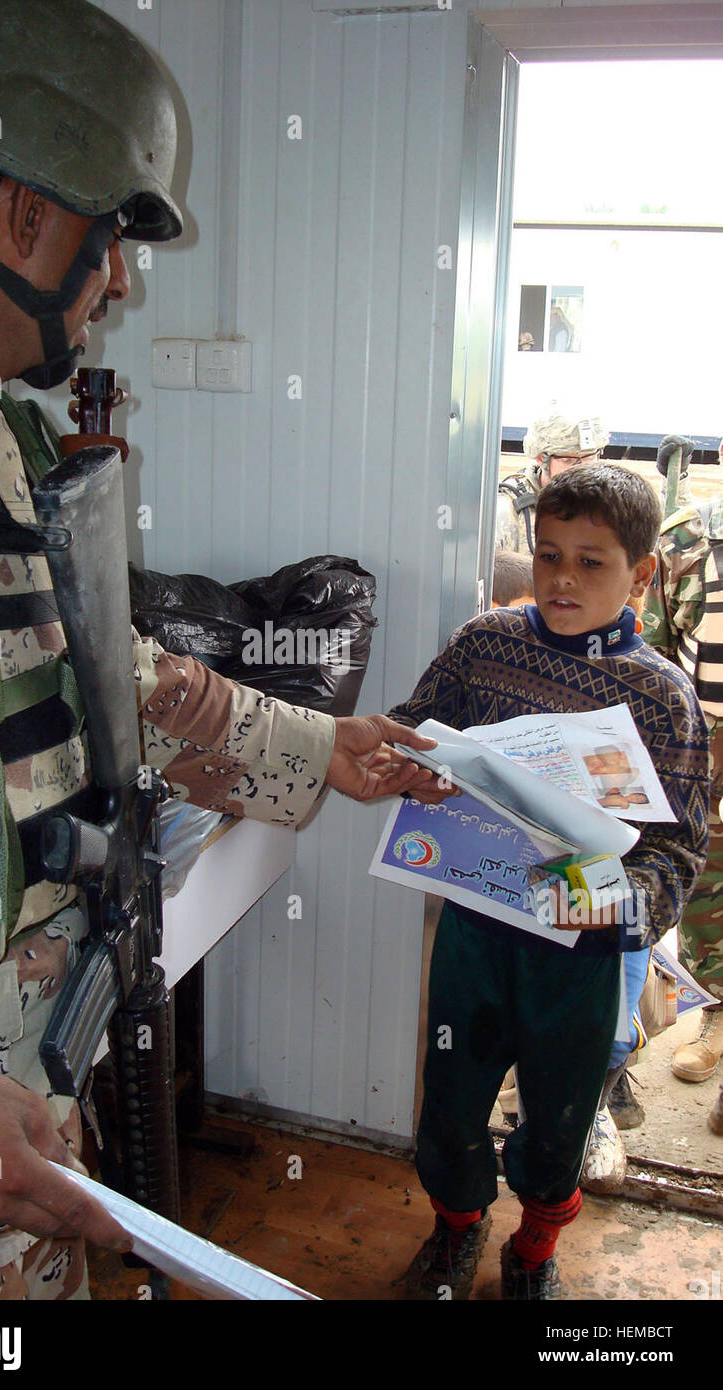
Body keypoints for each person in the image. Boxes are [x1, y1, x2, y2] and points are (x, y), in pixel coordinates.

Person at [0, 0, 442, 1301]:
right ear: (22, 214)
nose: (121, 283)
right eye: (114, 238)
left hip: (9, 1152)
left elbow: (103, 684)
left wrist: (319, 748)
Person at [391, 464, 708, 1299]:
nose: (562, 578)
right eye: (546, 555)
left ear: (641, 574)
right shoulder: (483, 642)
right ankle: (455, 1230)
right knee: (452, 1103)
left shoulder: (661, 698)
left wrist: (608, 904)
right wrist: (407, 764)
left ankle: (532, 1252)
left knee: (560, 1117)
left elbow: (676, 852)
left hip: (579, 950)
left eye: (591, 561)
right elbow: (415, 728)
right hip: (473, 929)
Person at [643, 485, 723, 1128]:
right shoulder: (684, 539)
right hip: (706, 747)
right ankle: (715, 1015)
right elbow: (657, 651)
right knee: (707, 894)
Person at [496, 409, 608, 555]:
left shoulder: (610, 505)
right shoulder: (507, 511)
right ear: (541, 459)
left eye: (588, 458)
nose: (580, 468)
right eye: (567, 460)